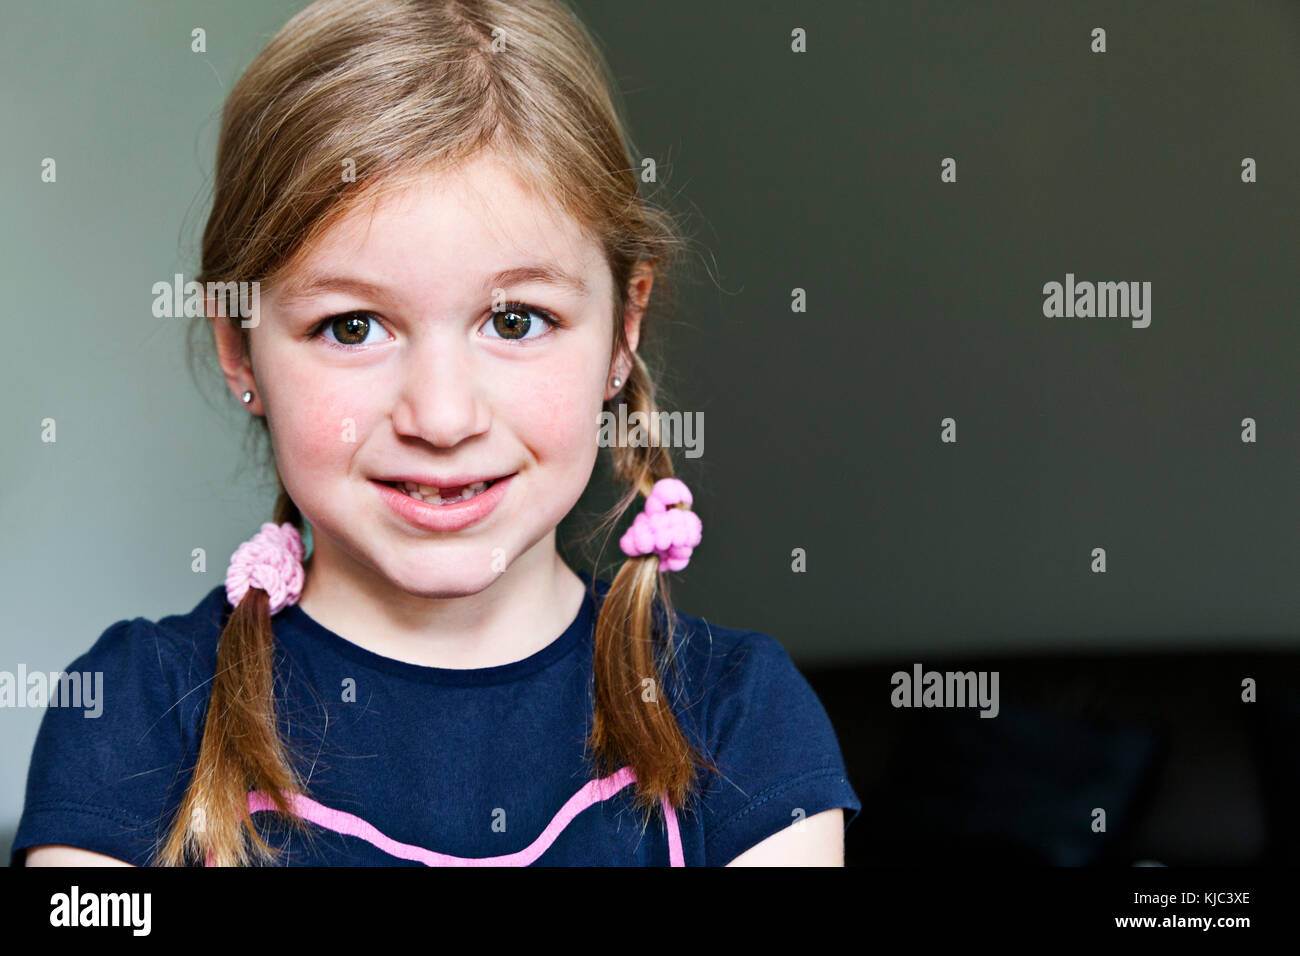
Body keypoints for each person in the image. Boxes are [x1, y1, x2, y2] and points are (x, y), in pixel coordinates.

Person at [13, 0, 859, 867]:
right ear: (240, 347)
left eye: (518, 319)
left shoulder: (741, 726)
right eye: (352, 327)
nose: (443, 418)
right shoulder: (131, 719)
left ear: (623, 329)